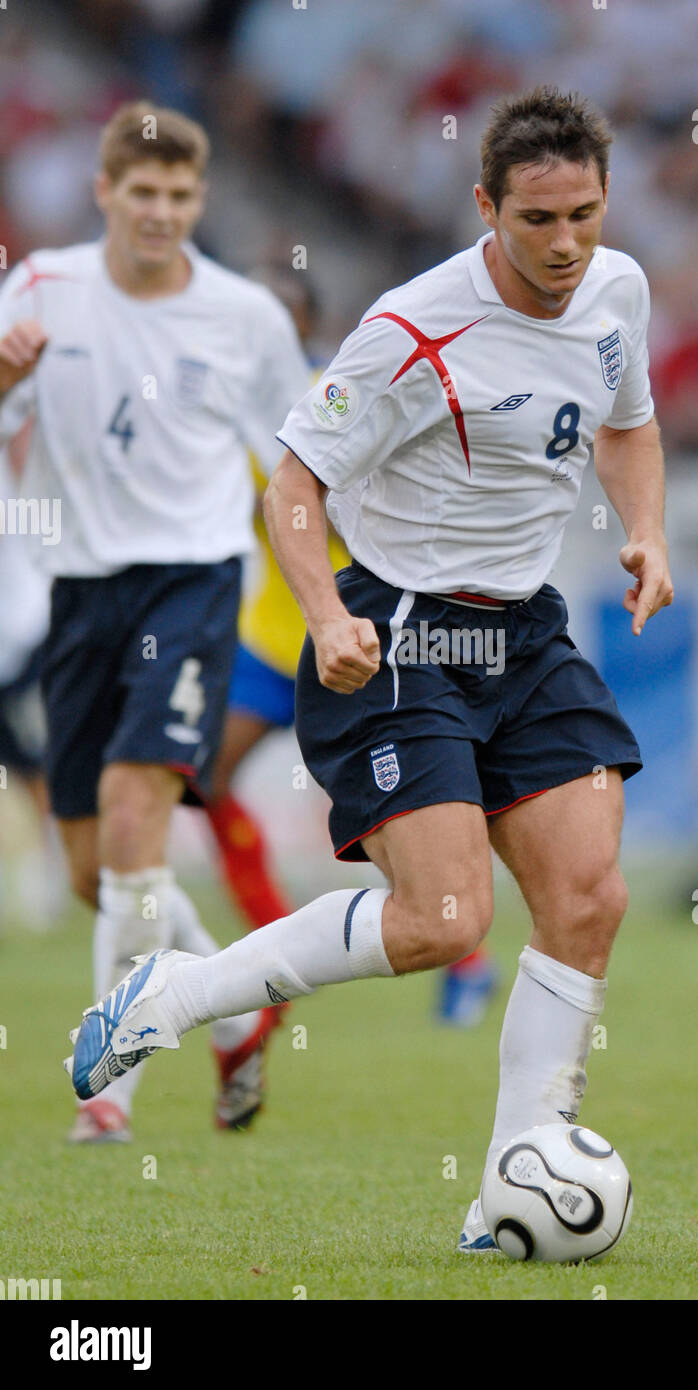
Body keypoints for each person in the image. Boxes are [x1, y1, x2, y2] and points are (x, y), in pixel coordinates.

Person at [65, 86, 673, 1250]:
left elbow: (627, 423)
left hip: (524, 633)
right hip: (395, 633)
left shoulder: (617, 288)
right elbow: (292, 483)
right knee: (445, 919)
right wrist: (319, 613)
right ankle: (168, 995)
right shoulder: (409, 329)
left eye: (583, 215)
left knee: (588, 897)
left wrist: (644, 527)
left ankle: (509, 1189)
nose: (563, 244)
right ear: (484, 205)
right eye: (536, 219)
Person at [0, 100, 310, 1140]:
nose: (161, 212)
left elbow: (296, 463)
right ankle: (237, 1001)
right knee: (96, 872)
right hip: (81, 594)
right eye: (143, 193)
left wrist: (331, 595)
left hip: (192, 582)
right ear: (104, 194)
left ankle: (110, 1091)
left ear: (201, 199)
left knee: (139, 819)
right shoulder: (43, 289)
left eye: (180, 195)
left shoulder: (244, 317)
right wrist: (7, 376)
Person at [205, 269, 499, 1027]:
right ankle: (268, 940)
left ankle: (464, 954)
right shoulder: (226, 413)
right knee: (204, 775)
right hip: (272, 642)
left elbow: (356, 510)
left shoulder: (339, 397)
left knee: (383, 802)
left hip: (354, 630)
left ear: (297, 326)